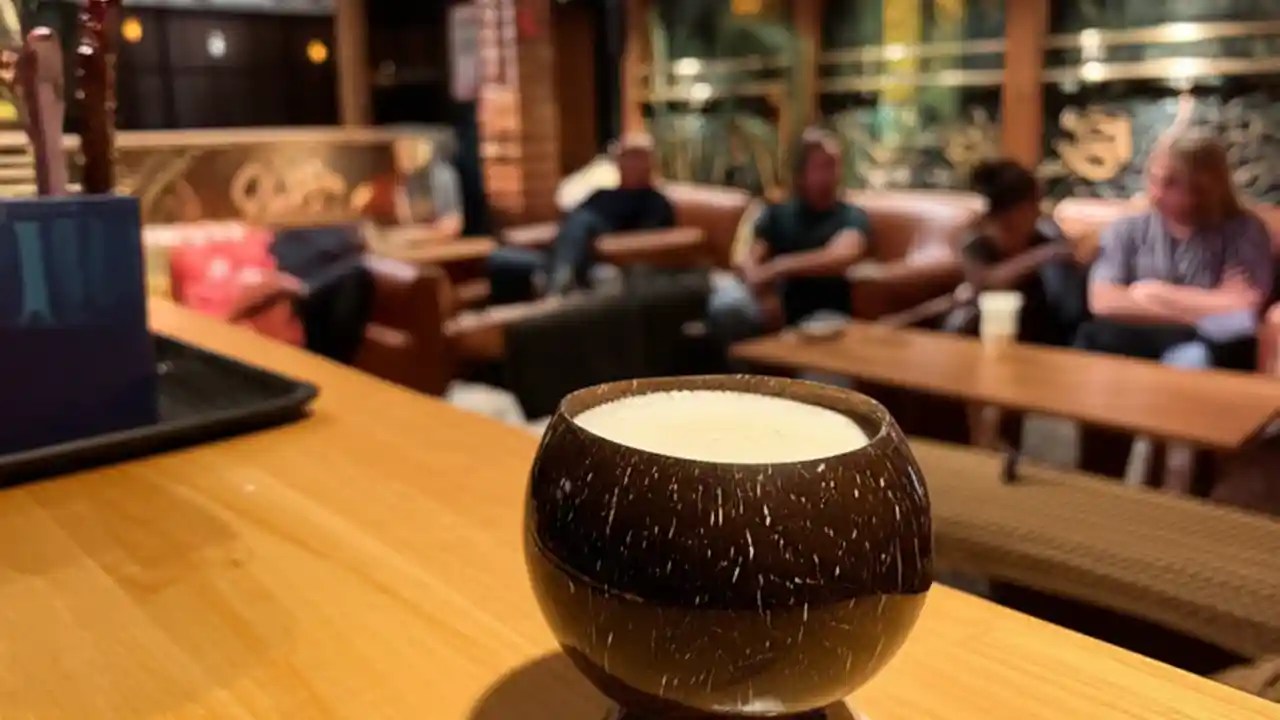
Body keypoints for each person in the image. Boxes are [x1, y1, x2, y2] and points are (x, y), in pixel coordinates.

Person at [1076, 131, 1274, 370]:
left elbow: (1241, 307)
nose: (1156, 193)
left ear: (1204, 187)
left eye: (1171, 183)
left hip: (1204, 345)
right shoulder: (1128, 226)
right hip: (1131, 338)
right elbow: (1103, 301)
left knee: (1194, 360)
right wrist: (1199, 313)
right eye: (1152, 179)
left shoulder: (1244, 231)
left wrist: (1155, 294)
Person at [707, 128, 872, 341]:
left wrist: (779, 268)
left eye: (835, 165)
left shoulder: (851, 215)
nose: (832, 174)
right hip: (771, 298)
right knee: (727, 307)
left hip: (822, 308)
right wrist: (758, 285)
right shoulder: (779, 213)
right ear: (802, 174)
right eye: (822, 166)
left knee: (820, 346)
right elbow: (751, 256)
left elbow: (841, 255)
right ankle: (739, 372)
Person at [488, 134, 675, 303]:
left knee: (583, 222)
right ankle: (553, 283)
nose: (629, 163)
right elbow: (568, 222)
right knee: (499, 259)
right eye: (625, 157)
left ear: (650, 163)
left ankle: (556, 288)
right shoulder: (601, 194)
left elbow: (646, 242)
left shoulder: (655, 201)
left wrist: (601, 246)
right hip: (560, 258)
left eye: (637, 157)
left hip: (595, 262)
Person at [942, 159, 1087, 346]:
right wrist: (1042, 256)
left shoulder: (1044, 236)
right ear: (1014, 210)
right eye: (1034, 204)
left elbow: (1070, 300)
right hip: (991, 327)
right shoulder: (976, 241)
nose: (1038, 211)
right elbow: (985, 283)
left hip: (1042, 330)